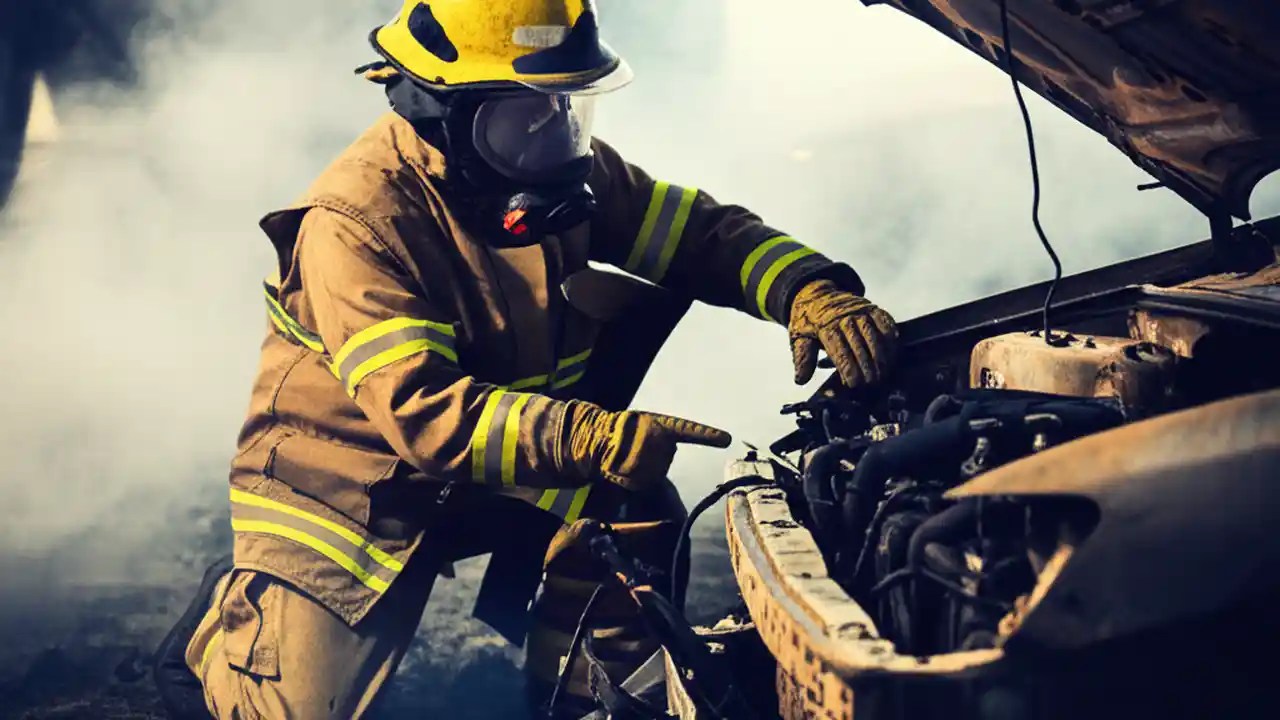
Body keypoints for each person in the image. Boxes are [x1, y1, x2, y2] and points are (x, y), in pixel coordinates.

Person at [153, 1, 899, 717]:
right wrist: (588, 438)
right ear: (445, 114)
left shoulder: (548, 167)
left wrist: (808, 287)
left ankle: (579, 698)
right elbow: (426, 412)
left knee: (635, 514)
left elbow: (699, 235)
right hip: (353, 496)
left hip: (503, 465)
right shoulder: (356, 222)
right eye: (525, 116)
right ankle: (232, 632)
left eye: (569, 107)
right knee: (296, 711)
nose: (557, 135)